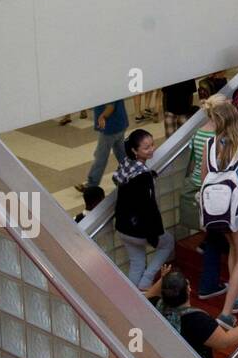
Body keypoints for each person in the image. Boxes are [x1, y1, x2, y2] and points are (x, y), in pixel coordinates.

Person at [199, 98, 238, 328]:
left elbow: (205, 179)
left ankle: (237, 296)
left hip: (216, 210)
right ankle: (225, 313)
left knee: (233, 250)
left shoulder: (209, 145)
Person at [154, 268, 238, 358]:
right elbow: (225, 341)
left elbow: (148, 295)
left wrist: (163, 279)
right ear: (188, 289)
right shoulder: (197, 320)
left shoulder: (154, 305)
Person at [113, 129, 175, 290]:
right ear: (135, 151)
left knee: (137, 262)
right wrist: (155, 234)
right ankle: (147, 281)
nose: (152, 149)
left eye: (152, 144)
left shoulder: (126, 164)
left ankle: (133, 296)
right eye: (146, 147)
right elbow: (148, 208)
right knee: (167, 243)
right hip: (139, 229)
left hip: (122, 227)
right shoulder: (144, 177)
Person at [185, 94, 228, 300]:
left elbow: (194, 161)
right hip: (214, 189)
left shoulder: (198, 133)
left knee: (214, 231)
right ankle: (208, 285)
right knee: (217, 235)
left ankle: (208, 242)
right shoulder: (220, 137)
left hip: (199, 186)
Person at [77, 99, 129, 193]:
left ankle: (91, 185)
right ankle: (132, 175)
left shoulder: (106, 88)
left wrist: (101, 117)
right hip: (119, 124)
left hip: (110, 127)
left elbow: (110, 107)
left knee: (100, 156)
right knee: (122, 154)